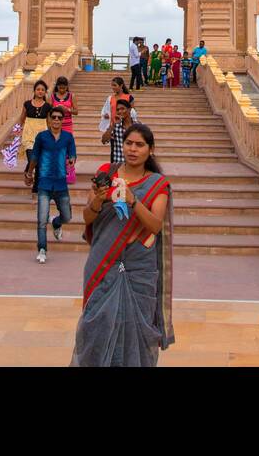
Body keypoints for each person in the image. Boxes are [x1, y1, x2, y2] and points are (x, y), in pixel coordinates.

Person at [71, 122, 174, 366]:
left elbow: (155, 225)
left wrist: (132, 200)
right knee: (95, 323)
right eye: (129, 143)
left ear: (150, 149)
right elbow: (87, 218)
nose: (133, 149)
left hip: (139, 268)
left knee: (136, 327)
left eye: (139, 145)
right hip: (103, 263)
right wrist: (97, 200)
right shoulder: (107, 173)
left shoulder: (157, 184)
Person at [26, 107, 76, 264]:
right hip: (44, 182)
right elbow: (34, 156)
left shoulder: (68, 137)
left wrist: (71, 159)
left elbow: (73, 153)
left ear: (62, 120)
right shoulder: (41, 137)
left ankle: (56, 222)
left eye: (59, 118)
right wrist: (29, 172)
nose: (56, 120)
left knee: (67, 216)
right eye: (53, 117)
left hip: (61, 183)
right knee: (41, 219)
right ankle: (42, 249)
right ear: (48, 119)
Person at [5, 78, 50, 176]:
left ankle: (33, 180)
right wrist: (18, 129)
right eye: (38, 89)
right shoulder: (27, 104)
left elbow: (49, 122)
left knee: (39, 160)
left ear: (45, 92)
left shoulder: (47, 106)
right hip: (28, 134)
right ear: (34, 91)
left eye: (42, 90)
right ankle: (29, 173)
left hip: (42, 135)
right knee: (32, 158)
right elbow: (22, 118)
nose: (40, 91)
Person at [102, 96, 137, 168]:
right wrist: (112, 125)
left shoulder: (138, 126)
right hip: (118, 165)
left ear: (129, 109)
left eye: (122, 109)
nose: (120, 111)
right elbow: (104, 141)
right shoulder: (115, 126)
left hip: (134, 165)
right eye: (118, 110)